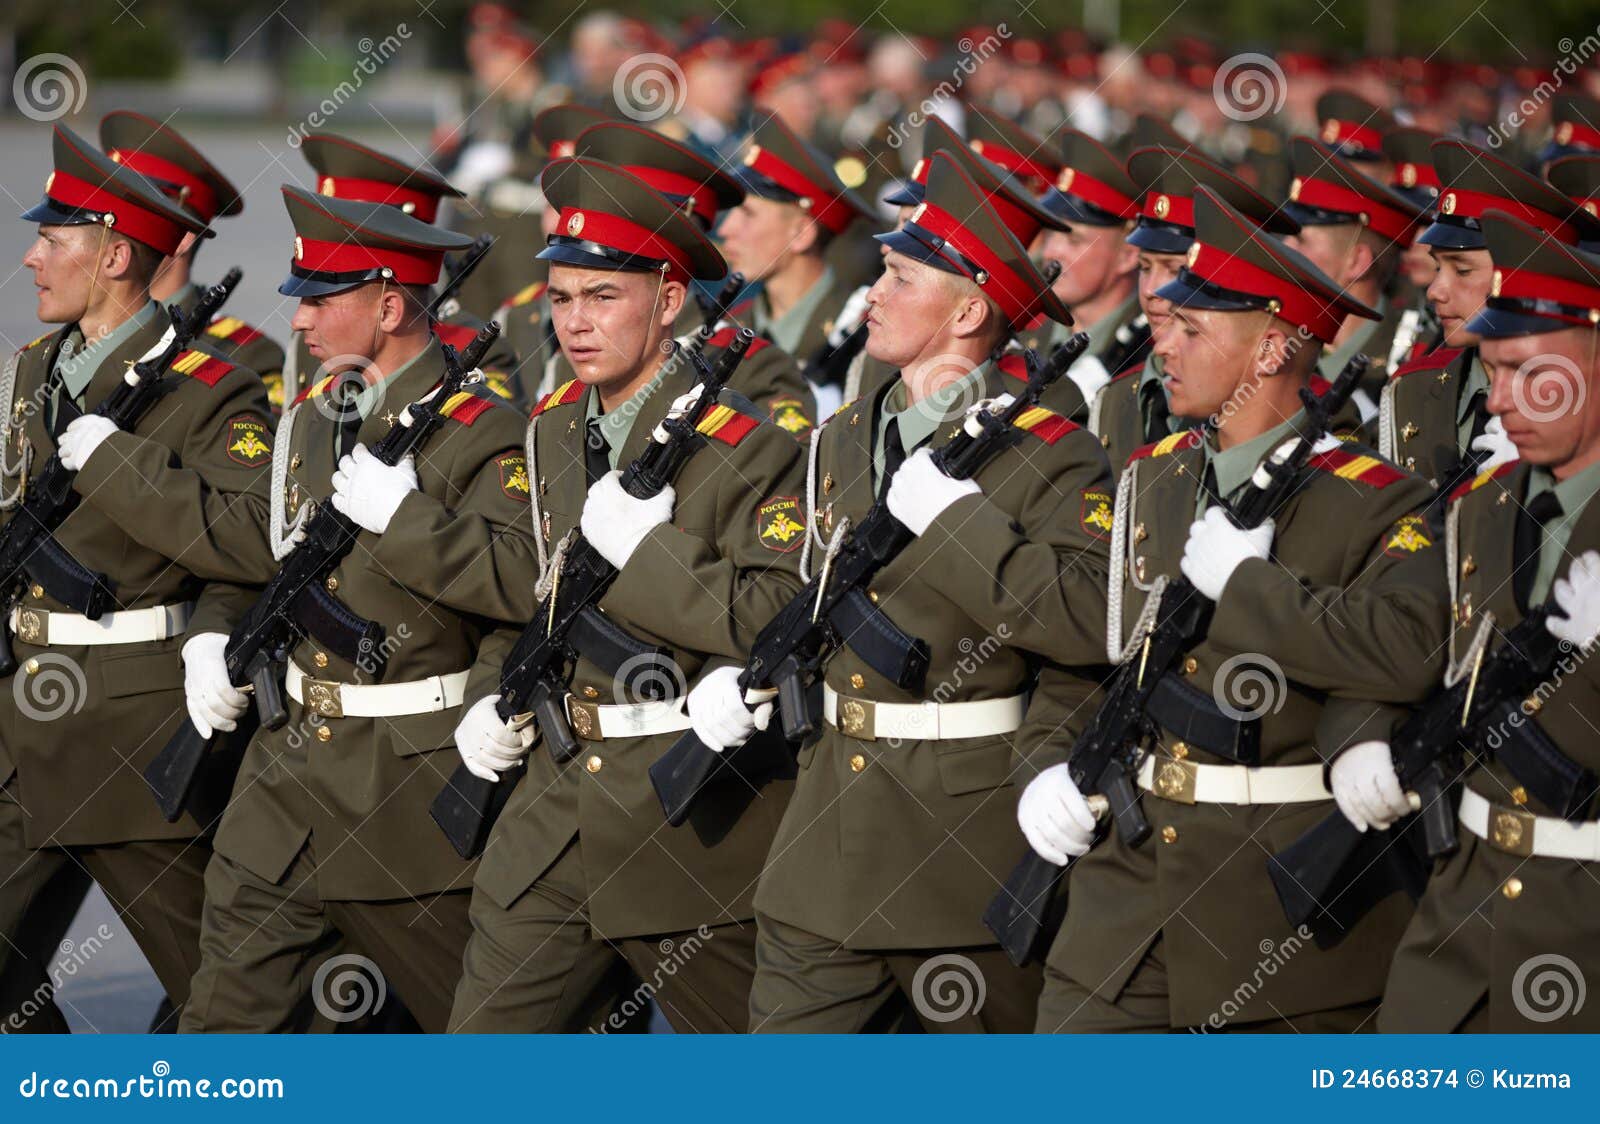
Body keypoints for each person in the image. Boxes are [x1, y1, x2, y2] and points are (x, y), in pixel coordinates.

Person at [1027, 187, 1449, 1033]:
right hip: (1123, 895)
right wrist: (1047, 760)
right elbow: (1104, 650)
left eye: (1192, 330)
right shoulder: (1156, 474)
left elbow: (1404, 654)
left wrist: (1252, 591)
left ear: (1268, 354)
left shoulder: (1377, 502)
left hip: (1268, 904)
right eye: (1169, 322)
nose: (1163, 340)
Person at [740, 151, 1111, 1032]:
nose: (872, 292)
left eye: (900, 276)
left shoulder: (1050, 452)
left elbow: (1088, 621)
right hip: (824, 834)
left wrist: (957, 523)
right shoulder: (844, 436)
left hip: (961, 843)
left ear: (970, 310)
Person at [446, 157, 806, 1033]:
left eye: (603, 296)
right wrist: (493, 689)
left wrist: (647, 551)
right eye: (563, 298)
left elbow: (771, 619)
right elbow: (545, 597)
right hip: (551, 813)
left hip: (685, 818)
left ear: (670, 300)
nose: (575, 321)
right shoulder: (556, 429)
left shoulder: (747, 445)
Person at [180, 185, 537, 1033]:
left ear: (388, 305)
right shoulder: (312, 420)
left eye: (321, 301)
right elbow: (272, 564)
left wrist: (410, 522)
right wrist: (208, 637)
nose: (298, 323)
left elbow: (525, 591)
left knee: (468, 1036)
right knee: (220, 1025)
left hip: (407, 789)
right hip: (283, 781)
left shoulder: (481, 430)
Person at [0, 124, 275, 1028]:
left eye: (54, 241)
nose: (33, 258)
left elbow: (248, 543)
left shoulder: (212, 388)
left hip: (130, 733)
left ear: (116, 254)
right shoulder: (30, 375)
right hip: (20, 731)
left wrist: (115, 460)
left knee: (221, 996)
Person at [1378, 210, 1600, 1032]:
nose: (1498, 399)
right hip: (1458, 931)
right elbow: (1406, 636)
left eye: (1525, 370)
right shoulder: (1485, 506)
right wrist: (1360, 735)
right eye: (1492, 370)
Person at [1377, 139, 1600, 497]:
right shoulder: (1413, 388)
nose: (1436, 290)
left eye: (1462, 271)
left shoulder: (1573, 399)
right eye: (1438, 267)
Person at [99, 110, 287, 409]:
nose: (101, 231)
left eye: (126, 220)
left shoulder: (243, 355)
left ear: (182, 236)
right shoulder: (80, 335)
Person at [718, 114, 879, 419]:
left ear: (802, 233)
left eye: (748, 214)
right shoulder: (725, 328)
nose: (726, 229)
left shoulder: (862, 335)